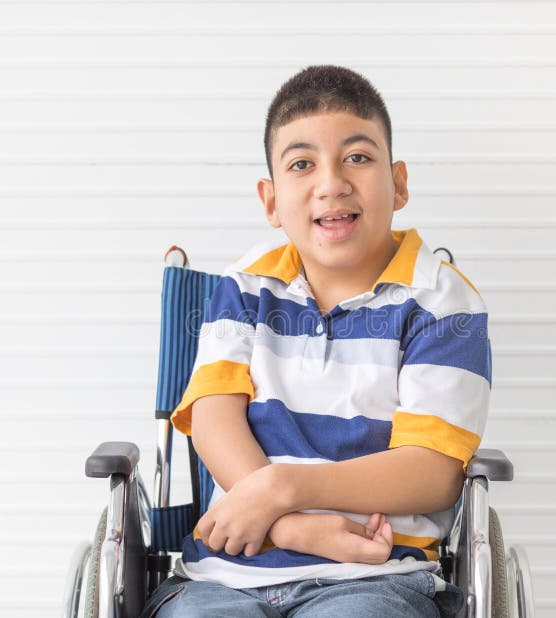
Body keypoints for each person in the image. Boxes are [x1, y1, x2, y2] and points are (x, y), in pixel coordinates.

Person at [139, 64, 491, 618]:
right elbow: (213, 419)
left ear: (399, 183)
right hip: (224, 572)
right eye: (302, 164)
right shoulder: (247, 283)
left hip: (376, 579)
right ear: (271, 200)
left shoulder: (442, 302)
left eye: (357, 157)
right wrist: (296, 526)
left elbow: (432, 472)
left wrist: (285, 487)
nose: (331, 182)